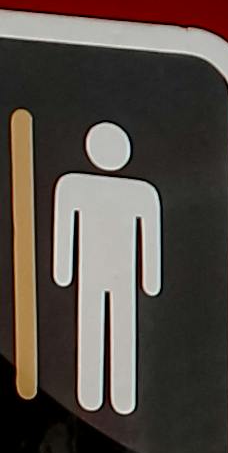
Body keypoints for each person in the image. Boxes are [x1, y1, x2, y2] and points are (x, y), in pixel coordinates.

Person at [51, 118, 161, 420]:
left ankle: (122, 397)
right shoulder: (73, 185)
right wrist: (63, 271)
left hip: (122, 275)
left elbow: (149, 238)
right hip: (92, 272)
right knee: (92, 327)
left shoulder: (142, 193)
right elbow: (65, 231)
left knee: (122, 329)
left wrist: (150, 279)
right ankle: (90, 395)